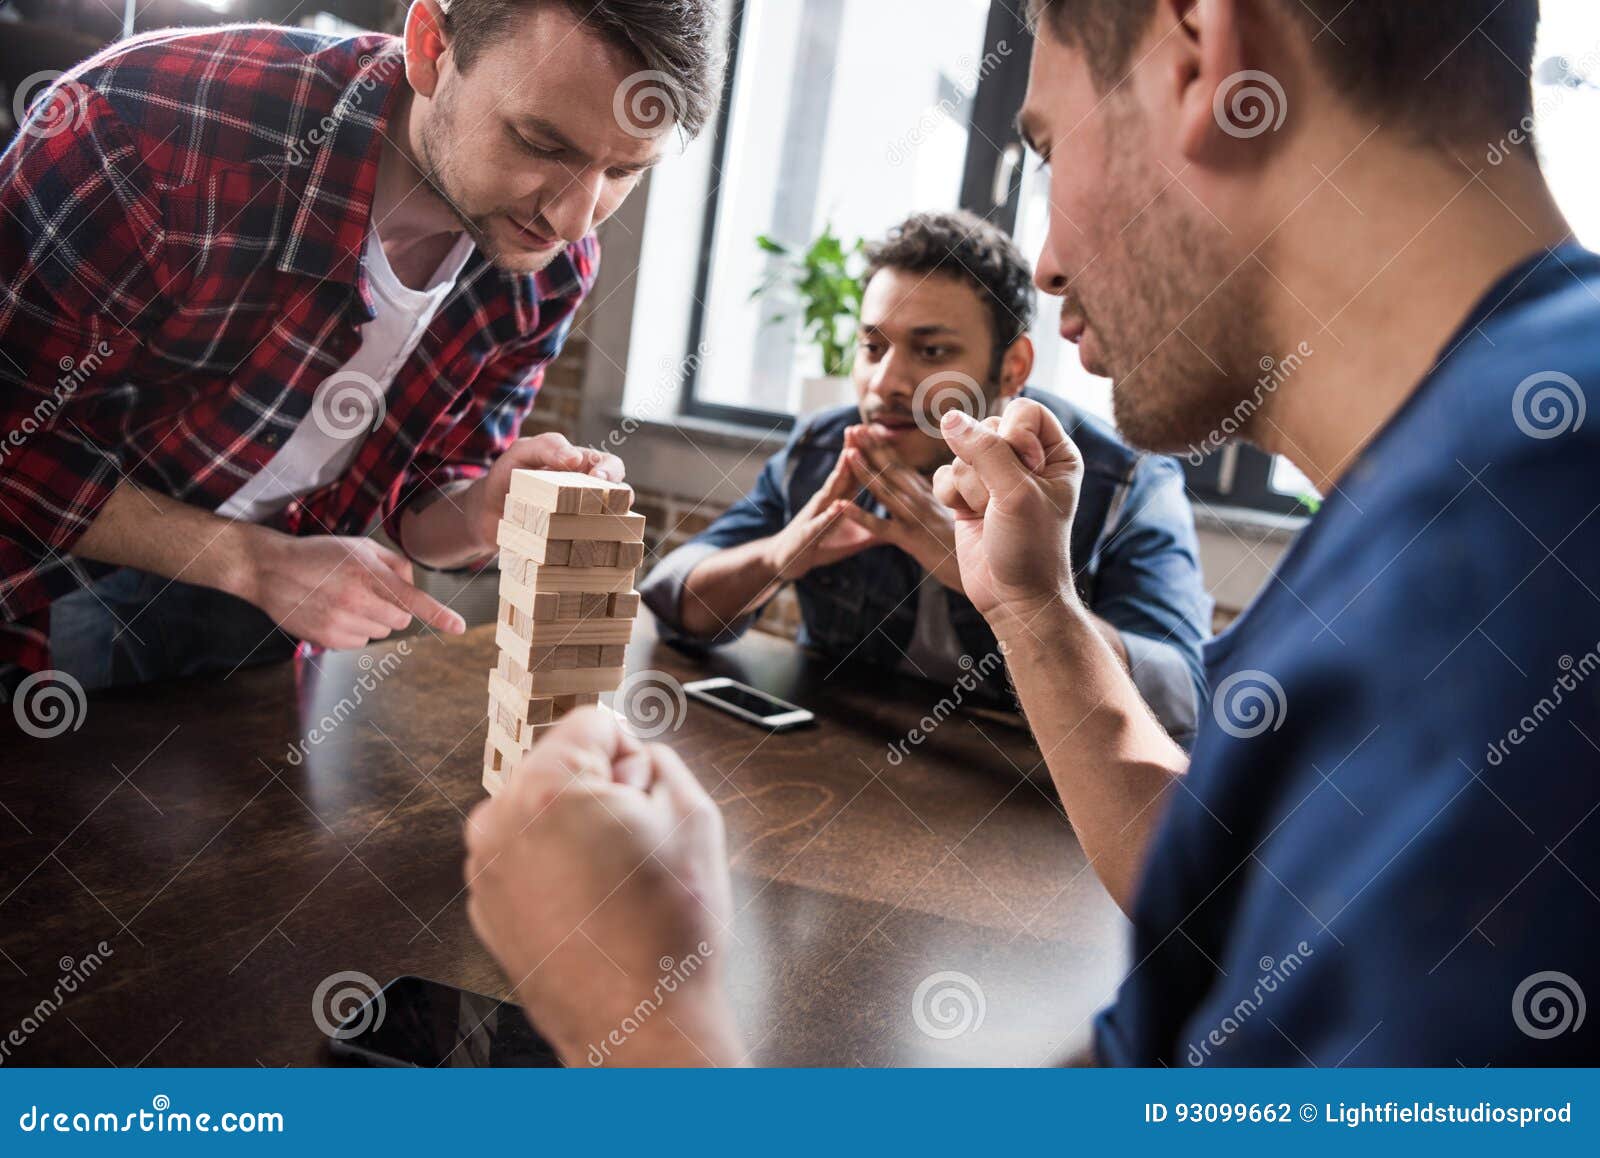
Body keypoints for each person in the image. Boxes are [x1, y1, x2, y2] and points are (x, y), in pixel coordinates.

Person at [466, 0, 1600, 1066]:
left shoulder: (1520, 527)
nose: (1050, 263)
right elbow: (1222, 891)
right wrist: (1028, 607)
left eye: (1050, 150)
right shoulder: (1479, 477)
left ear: (1200, 55)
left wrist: (644, 1024)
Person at [0, 0, 723, 693]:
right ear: (431, 48)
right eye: (540, 142)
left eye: (624, 171)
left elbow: (421, 506)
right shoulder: (140, 127)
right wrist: (251, 563)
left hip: (272, 616)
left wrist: (481, 509)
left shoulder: (549, 266)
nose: (573, 219)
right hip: (48, 576)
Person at [641, 210, 1211, 743]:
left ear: (1012, 368)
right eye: (872, 346)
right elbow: (673, 604)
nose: (884, 382)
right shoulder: (824, 451)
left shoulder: (1126, 483)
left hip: (1030, 805)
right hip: (842, 773)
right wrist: (776, 558)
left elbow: (1183, 693)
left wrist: (1016, 593)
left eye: (931, 350)